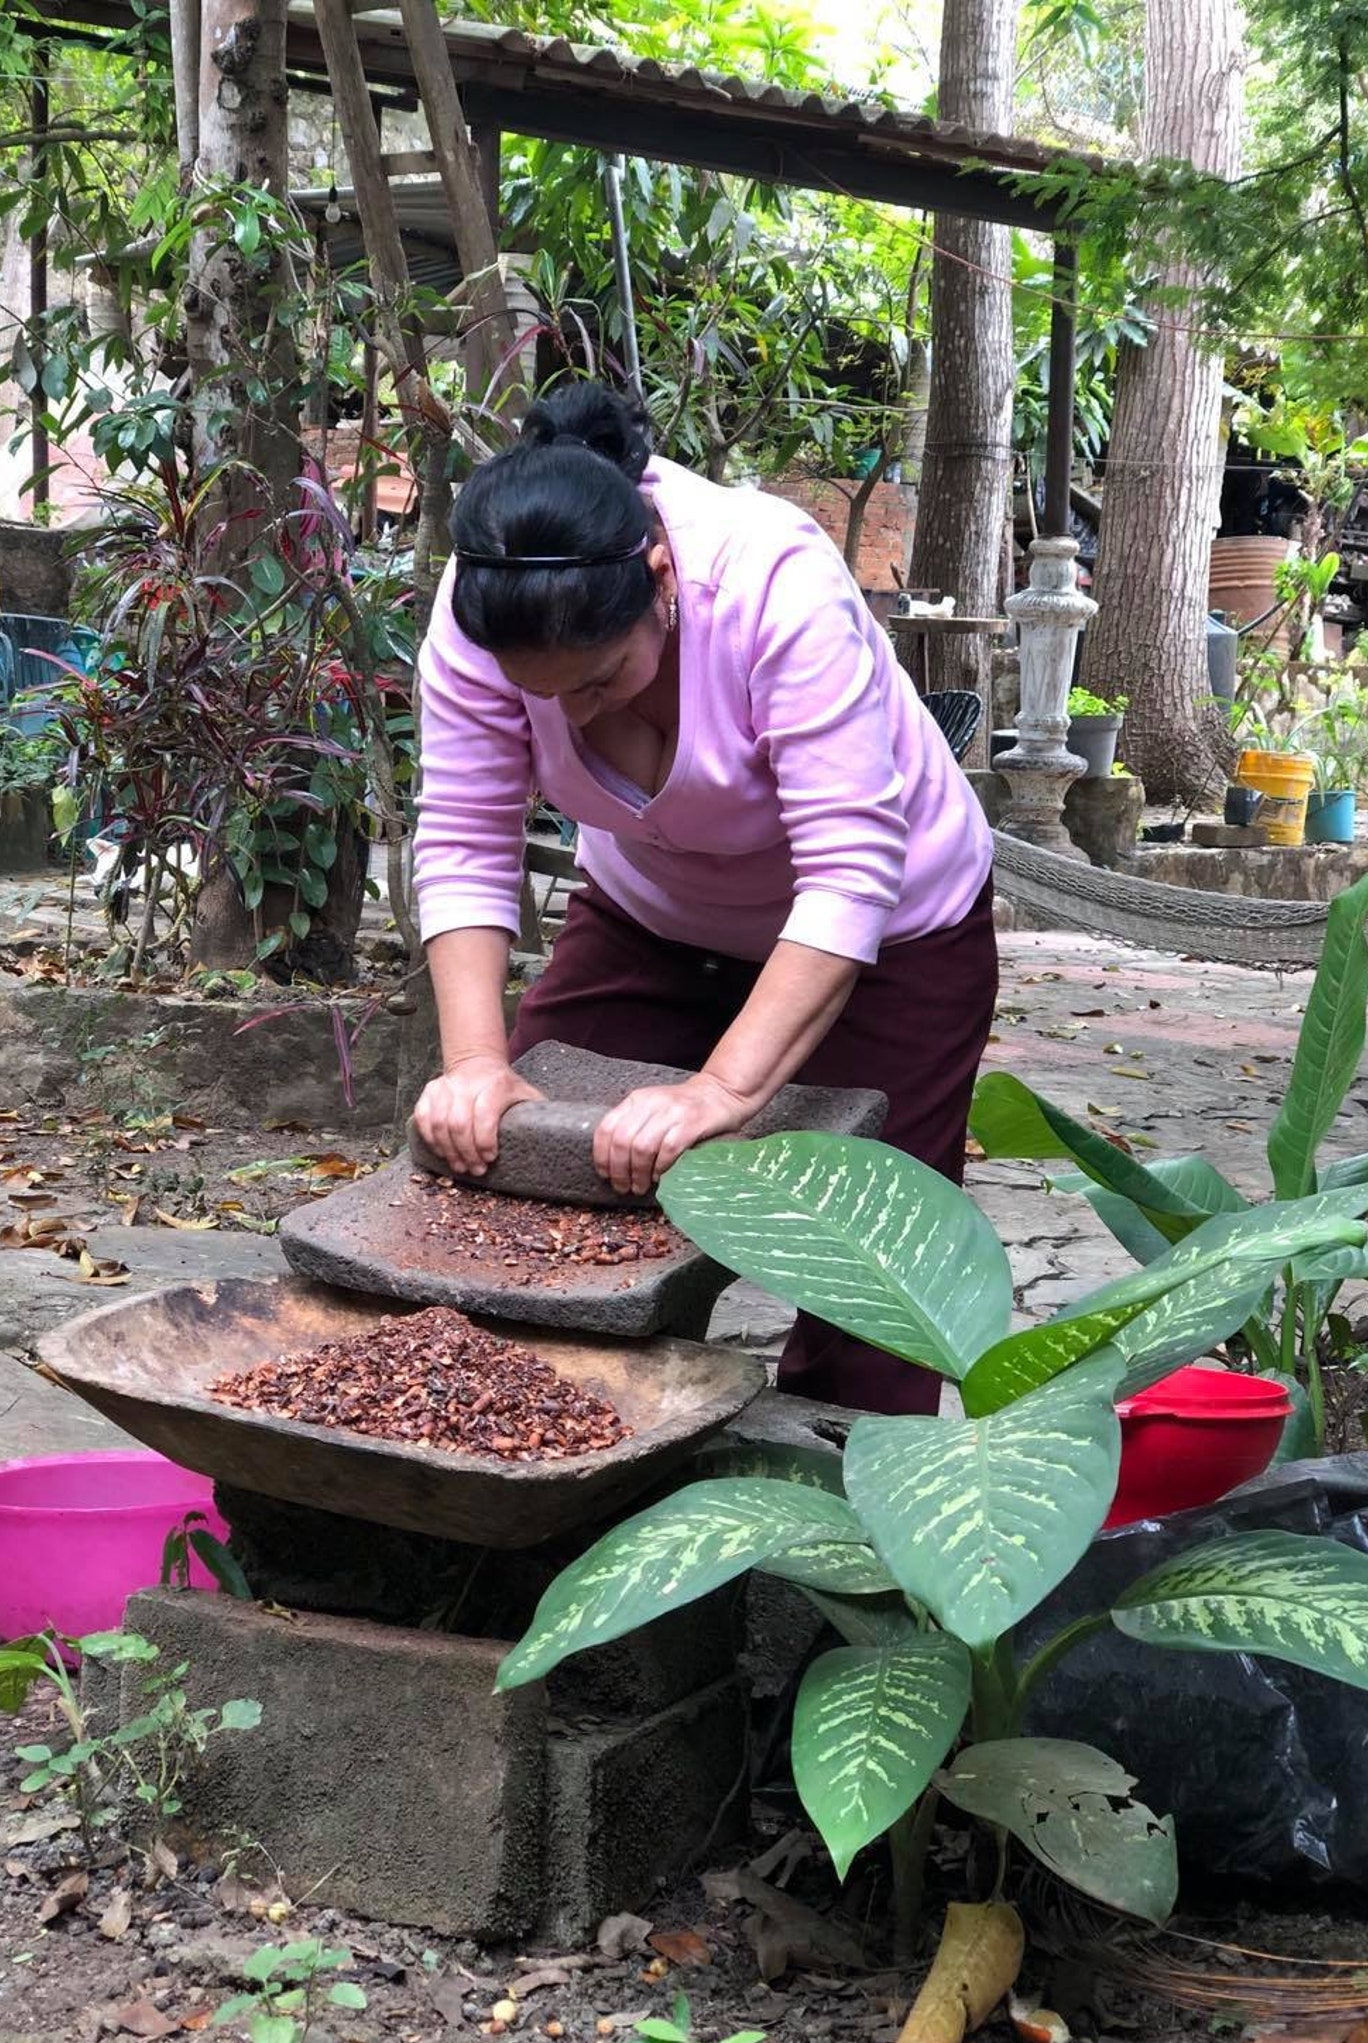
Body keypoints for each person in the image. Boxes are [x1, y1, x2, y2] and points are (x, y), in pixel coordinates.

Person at [411, 383, 997, 1414]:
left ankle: (834, 1505)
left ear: (660, 576)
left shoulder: (772, 580)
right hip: (651, 913)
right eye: (540, 692)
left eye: (597, 679)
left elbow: (849, 870)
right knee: (521, 1195)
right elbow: (464, 836)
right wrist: (473, 1066)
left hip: (896, 925)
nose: (568, 714)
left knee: (871, 1287)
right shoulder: (491, 603)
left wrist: (721, 1091)